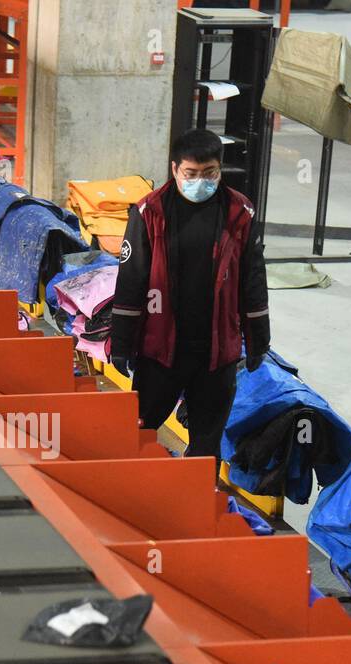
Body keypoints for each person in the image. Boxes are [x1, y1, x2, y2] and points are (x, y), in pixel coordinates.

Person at [109, 128, 270, 467]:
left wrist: (259, 341)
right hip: (161, 352)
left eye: (209, 173)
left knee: (207, 446)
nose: (201, 181)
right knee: (137, 432)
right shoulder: (148, 213)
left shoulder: (240, 214)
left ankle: (197, 508)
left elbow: (252, 281)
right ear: (174, 169)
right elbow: (131, 282)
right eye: (191, 174)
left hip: (216, 354)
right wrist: (121, 344)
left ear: (220, 169)